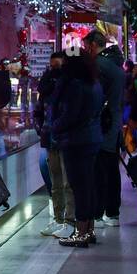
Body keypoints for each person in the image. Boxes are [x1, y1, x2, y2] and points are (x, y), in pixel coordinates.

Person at [49, 51, 104, 247]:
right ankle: (88, 229)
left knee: (79, 187)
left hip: (76, 141)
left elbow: (70, 115)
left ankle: (81, 232)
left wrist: (53, 126)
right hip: (92, 138)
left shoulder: (74, 85)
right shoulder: (94, 83)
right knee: (88, 186)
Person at [85, 31, 126, 227]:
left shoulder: (99, 66)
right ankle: (112, 211)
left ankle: (99, 211)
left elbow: (94, 96)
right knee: (111, 169)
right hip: (114, 122)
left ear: (93, 45)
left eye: (87, 46)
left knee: (100, 171)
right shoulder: (116, 64)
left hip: (102, 123)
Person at [36, 51, 76, 239]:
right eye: (52, 67)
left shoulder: (71, 87)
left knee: (68, 182)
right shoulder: (46, 89)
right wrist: (41, 129)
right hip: (50, 137)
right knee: (56, 181)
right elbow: (38, 111)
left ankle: (70, 220)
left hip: (66, 139)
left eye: (58, 67)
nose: (54, 72)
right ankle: (59, 218)